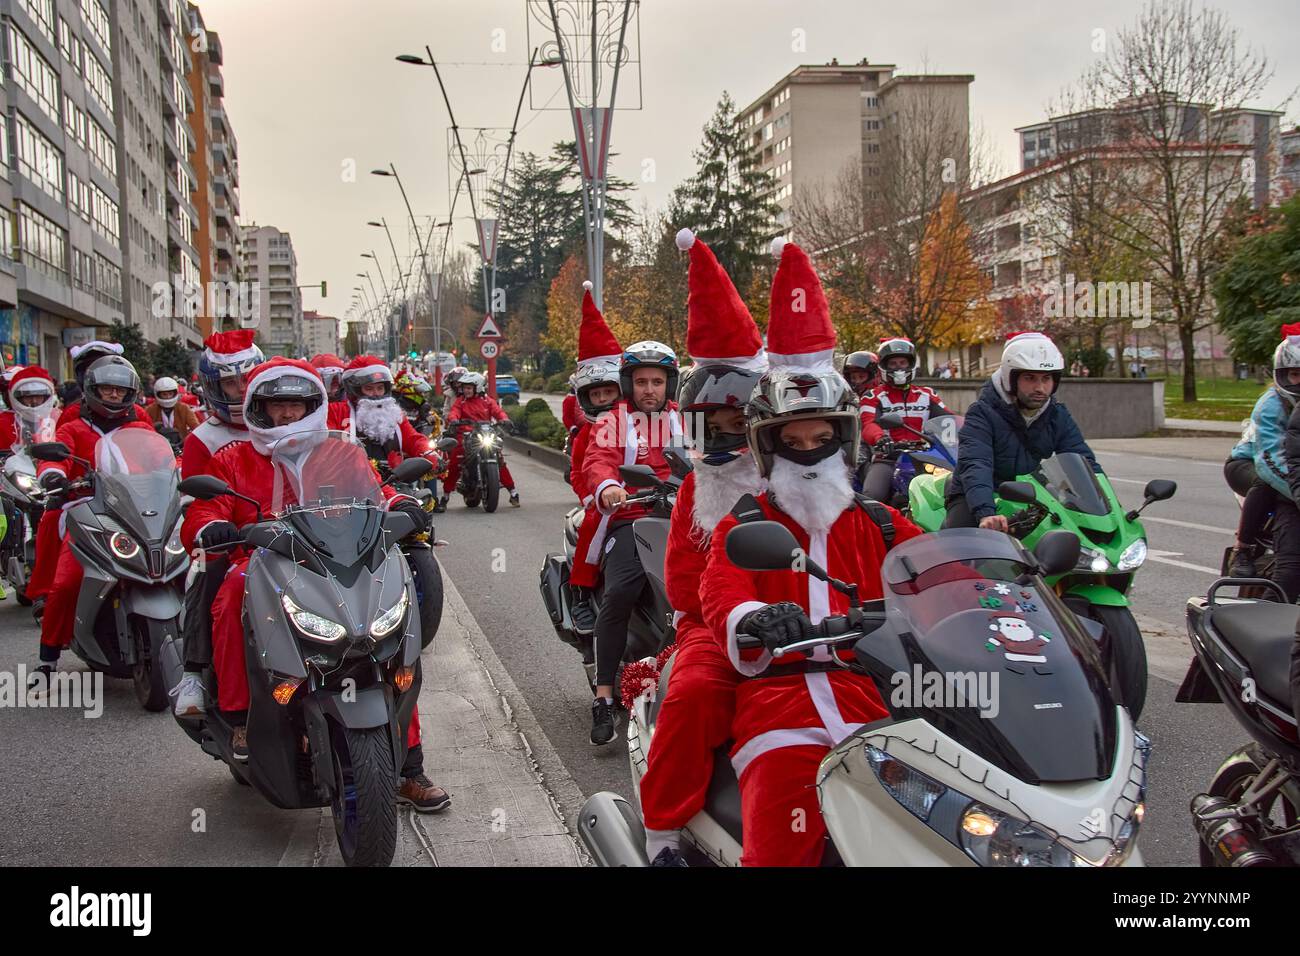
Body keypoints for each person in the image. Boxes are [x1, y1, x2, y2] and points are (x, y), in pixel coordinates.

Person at [701, 237, 921, 866]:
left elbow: (940, 571)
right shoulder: (746, 521)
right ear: (769, 448)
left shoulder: (878, 522)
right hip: (781, 703)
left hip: (878, 700)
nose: (808, 451)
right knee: (783, 829)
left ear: (845, 442)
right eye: (792, 440)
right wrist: (757, 620)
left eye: (822, 437)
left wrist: (999, 573)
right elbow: (722, 591)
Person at [179, 358, 449, 811]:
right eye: (276, 406)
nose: (286, 415)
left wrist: (402, 500)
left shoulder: (343, 453)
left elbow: (376, 493)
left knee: (387, 648)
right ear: (257, 408)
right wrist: (209, 527)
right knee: (229, 594)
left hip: (339, 562)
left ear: (314, 405)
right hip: (261, 561)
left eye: (295, 405)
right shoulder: (233, 457)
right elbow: (206, 509)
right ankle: (237, 714)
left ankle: (409, 767)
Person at [638, 227, 767, 866]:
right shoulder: (694, 490)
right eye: (711, 423)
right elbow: (686, 586)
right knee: (689, 697)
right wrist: (738, 620)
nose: (724, 433)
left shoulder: (795, 476)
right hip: (712, 635)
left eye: (736, 422)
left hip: (815, 632)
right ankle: (663, 832)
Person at [30, 356, 157, 687]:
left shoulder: (141, 428)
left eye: (119, 390)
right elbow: (53, 457)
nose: (114, 396)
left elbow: (163, 458)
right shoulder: (72, 427)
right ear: (91, 390)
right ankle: (47, 660)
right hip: (88, 512)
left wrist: (179, 469)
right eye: (107, 389)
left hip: (139, 512)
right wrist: (53, 474)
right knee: (66, 583)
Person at [582, 336, 681, 745]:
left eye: (657, 382)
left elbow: (711, 463)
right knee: (621, 591)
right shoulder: (612, 422)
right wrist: (607, 486)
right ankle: (605, 695)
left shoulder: (687, 420)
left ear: (669, 385)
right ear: (628, 385)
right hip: (632, 517)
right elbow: (597, 461)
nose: (649, 390)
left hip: (681, 518)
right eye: (641, 382)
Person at [944, 331, 1098, 530]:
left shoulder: (1057, 415)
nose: (1040, 388)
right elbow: (976, 463)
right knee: (962, 547)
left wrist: (1109, 509)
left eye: (1047, 378)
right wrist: (985, 513)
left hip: (1031, 496)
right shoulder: (982, 413)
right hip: (977, 495)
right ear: (1011, 378)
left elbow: (1084, 461)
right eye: (1030, 378)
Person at [565, 281, 624, 638]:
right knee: (593, 528)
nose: (603, 399)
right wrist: (593, 495)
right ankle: (581, 593)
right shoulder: (585, 432)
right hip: (604, 499)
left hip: (646, 497)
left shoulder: (640, 422)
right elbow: (577, 470)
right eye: (596, 394)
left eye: (609, 392)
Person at [1235, 324, 1300, 598]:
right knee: (1266, 484)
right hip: (1249, 463)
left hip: (1292, 474)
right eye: (1296, 374)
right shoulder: (1271, 406)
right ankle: (1244, 549)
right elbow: (1272, 463)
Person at [858, 337, 953, 503]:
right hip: (888, 459)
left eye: (902, 362)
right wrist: (880, 438)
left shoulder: (927, 394)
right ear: (884, 366)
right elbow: (868, 424)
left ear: (911, 364)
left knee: (955, 487)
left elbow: (948, 420)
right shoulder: (872, 396)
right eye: (893, 363)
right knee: (873, 496)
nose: (899, 368)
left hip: (927, 457)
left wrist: (967, 432)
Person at [341, 355, 437, 474]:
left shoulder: (394, 414)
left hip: (394, 480)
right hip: (356, 484)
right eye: (369, 388)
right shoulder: (341, 412)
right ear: (355, 390)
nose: (376, 394)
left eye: (380, 388)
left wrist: (428, 452)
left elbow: (413, 438)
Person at [442, 371, 519, 509]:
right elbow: (454, 412)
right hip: (466, 435)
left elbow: (497, 411)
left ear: (478, 387)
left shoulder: (487, 401)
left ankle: (513, 492)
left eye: (469, 388)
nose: (466, 390)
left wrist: (504, 420)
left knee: (499, 459)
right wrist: (453, 420)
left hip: (485, 433)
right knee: (455, 461)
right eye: (465, 388)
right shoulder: (461, 401)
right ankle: (445, 496)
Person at [145, 376, 200, 441]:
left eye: (170, 394)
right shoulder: (150, 409)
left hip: (181, 446)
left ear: (175, 393)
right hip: (157, 445)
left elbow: (196, 427)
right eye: (164, 394)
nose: (168, 397)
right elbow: (144, 429)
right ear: (157, 394)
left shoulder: (184, 408)